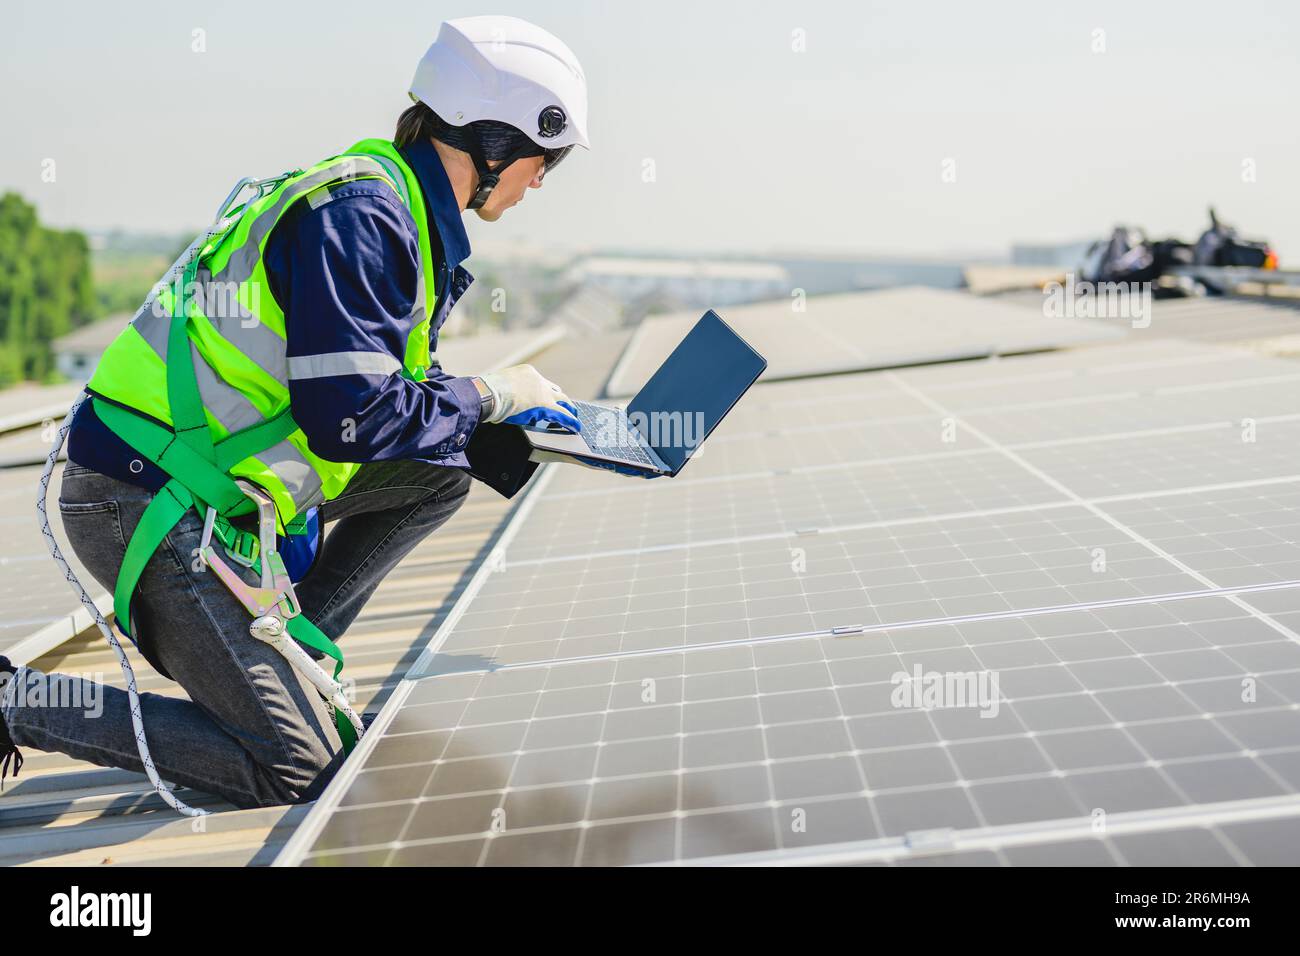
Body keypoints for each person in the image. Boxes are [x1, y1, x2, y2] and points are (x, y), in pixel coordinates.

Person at [0, 15, 589, 808]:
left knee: (441, 475)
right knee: (297, 769)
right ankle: (18, 702)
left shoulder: (395, 203)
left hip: (210, 477)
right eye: (542, 158)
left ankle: (282, 663)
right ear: (493, 143)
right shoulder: (363, 216)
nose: (541, 181)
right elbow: (347, 420)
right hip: (144, 496)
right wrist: (490, 395)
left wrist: (479, 430)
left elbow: (374, 399)